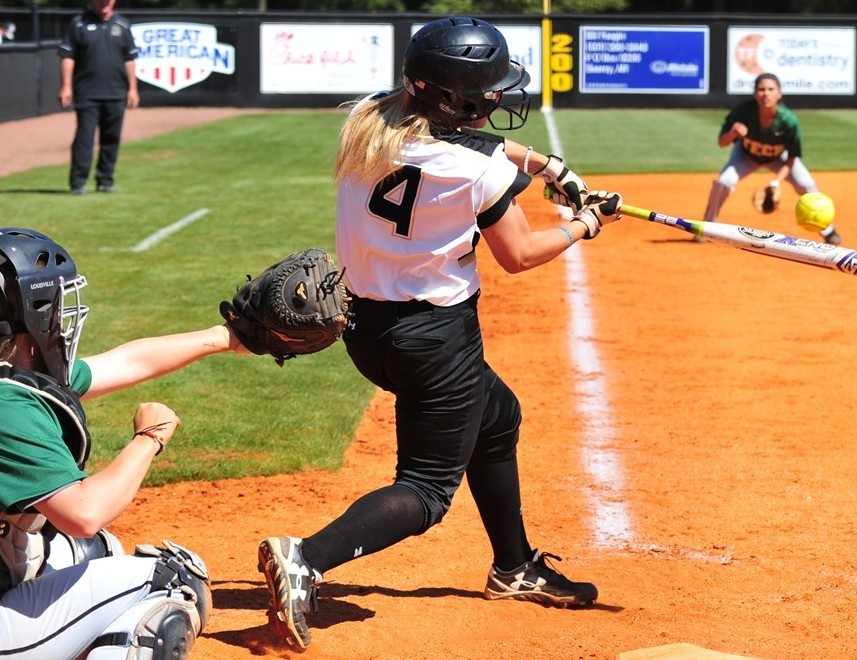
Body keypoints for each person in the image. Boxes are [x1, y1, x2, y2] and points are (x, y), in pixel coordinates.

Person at [257, 16, 622, 651]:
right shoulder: (471, 172)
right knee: (425, 491)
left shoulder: (373, 119)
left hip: (367, 328)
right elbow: (522, 253)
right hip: (435, 338)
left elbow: (468, 147)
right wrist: (585, 223)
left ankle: (515, 567)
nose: (500, 100)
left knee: (498, 415)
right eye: (489, 92)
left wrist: (546, 165)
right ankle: (305, 558)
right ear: (456, 99)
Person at [0, 227, 245, 658]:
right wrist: (149, 438)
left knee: (94, 553)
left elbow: (128, 361)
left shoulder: (11, 374)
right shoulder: (8, 407)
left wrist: (226, 337)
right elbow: (84, 512)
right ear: (33, 316)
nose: (62, 315)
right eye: (56, 303)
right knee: (170, 581)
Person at [703, 72, 842, 245]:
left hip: (779, 159)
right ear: (755, 93)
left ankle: (828, 230)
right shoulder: (743, 112)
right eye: (761, 89)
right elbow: (721, 142)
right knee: (723, 181)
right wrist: (732, 134)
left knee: (807, 184)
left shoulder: (788, 120)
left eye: (771, 89)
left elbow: (792, 157)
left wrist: (776, 182)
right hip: (746, 155)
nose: (766, 94)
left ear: (779, 93)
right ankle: (707, 228)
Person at [57, 0, 139, 195]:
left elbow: (129, 59)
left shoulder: (123, 25)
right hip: (87, 92)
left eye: (108, 0)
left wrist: (133, 88)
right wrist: (66, 86)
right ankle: (77, 182)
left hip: (116, 92)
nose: (104, 3)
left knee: (111, 138)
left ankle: (105, 179)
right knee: (84, 139)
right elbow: (68, 56)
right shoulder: (78, 24)